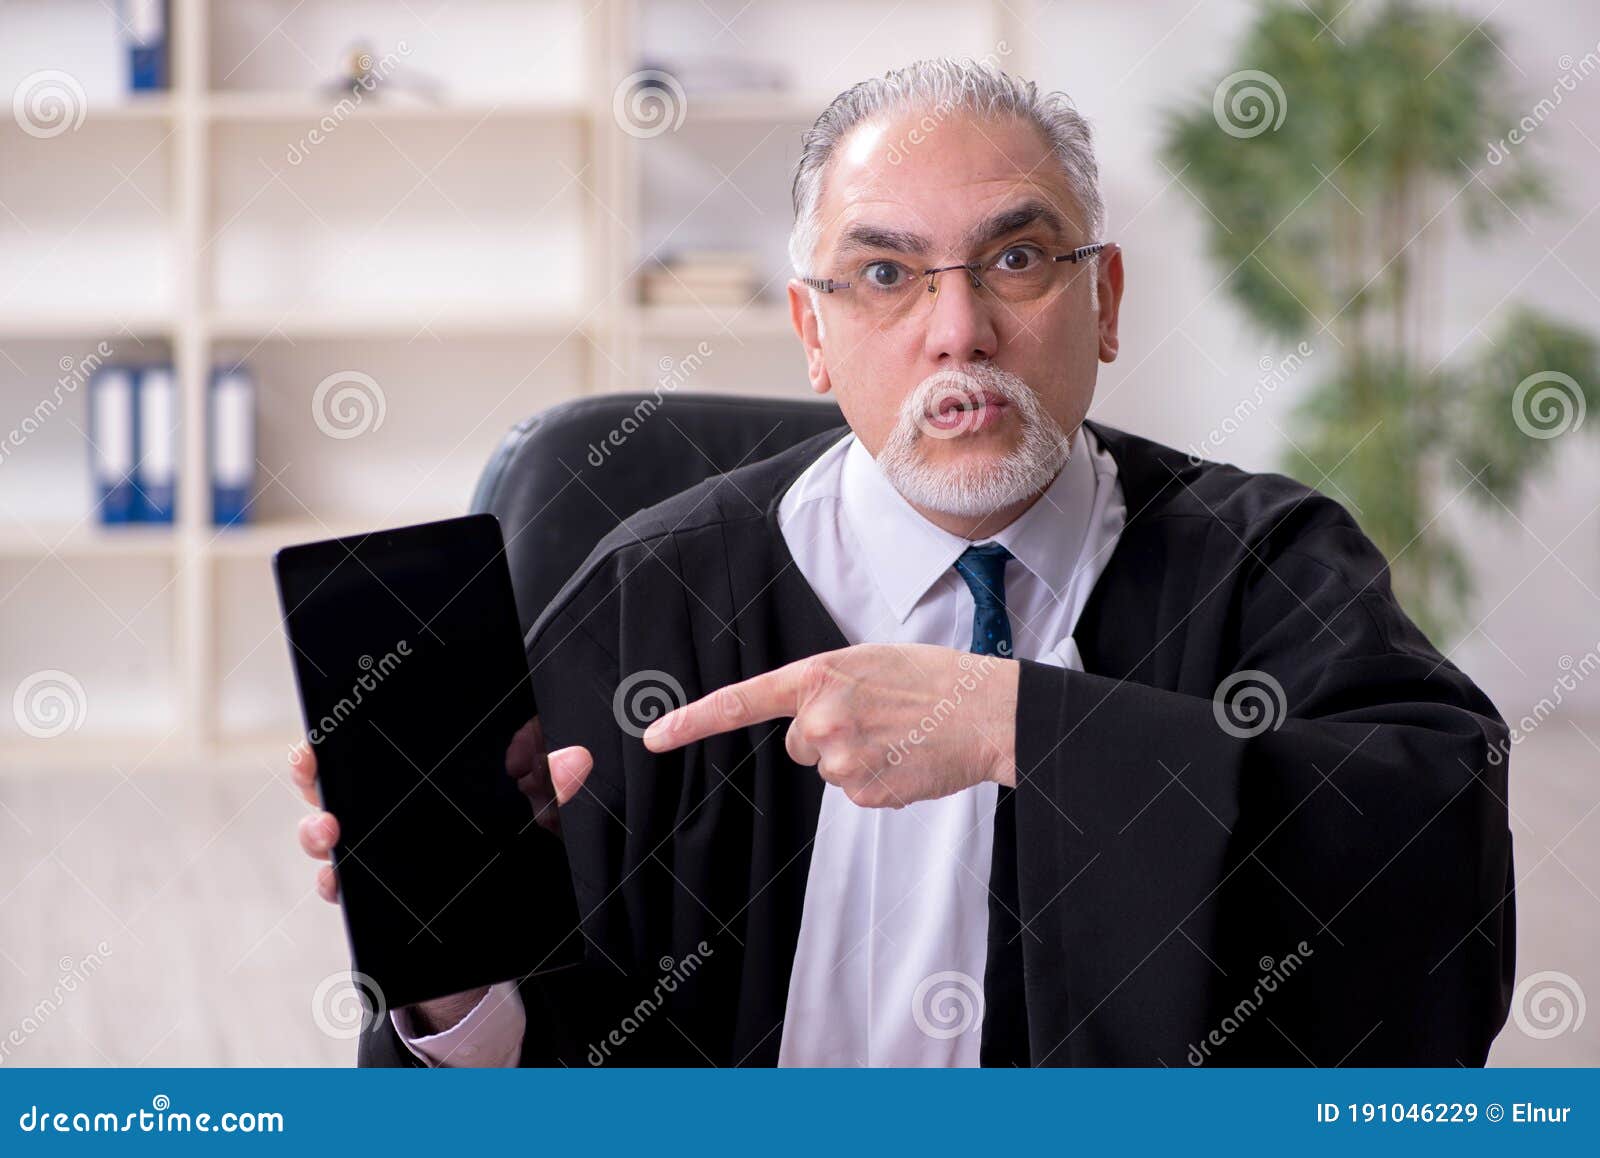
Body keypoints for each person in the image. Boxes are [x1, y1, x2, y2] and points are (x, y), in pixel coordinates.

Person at [292, 59, 1513, 1067]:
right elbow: (555, 1054)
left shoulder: (1265, 566)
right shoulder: (648, 599)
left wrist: (1025, 727)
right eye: (884, 275)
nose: (956, 329)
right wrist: (451, 982)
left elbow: (1434, 876)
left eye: (1018, 259)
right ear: (811, 333)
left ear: (1107, 300)